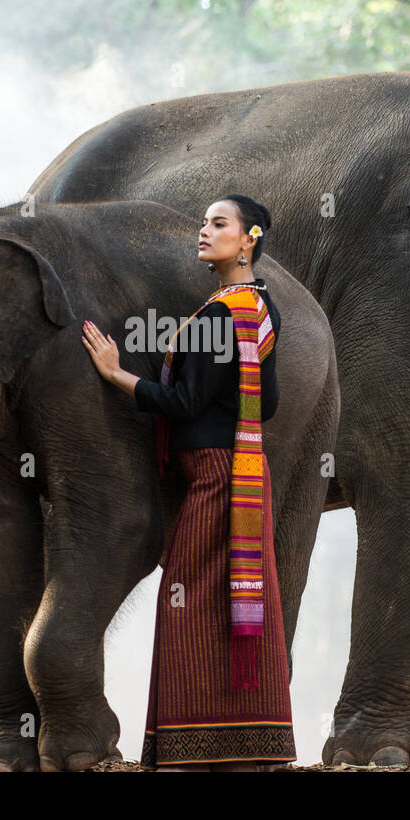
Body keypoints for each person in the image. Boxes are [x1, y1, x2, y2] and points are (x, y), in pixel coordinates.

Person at [81, 194, 296, 772]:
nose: (204, 231)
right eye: (203, 222)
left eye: (217, 224)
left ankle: (191, 750)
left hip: (213, 479)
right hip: (246, 473)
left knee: (188, 605)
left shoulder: (223, 314)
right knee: (234, 608)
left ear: (249, 239)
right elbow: (268, 404)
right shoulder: (262, 309)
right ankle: (249, 744)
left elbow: (180, 402)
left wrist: (116, 373)